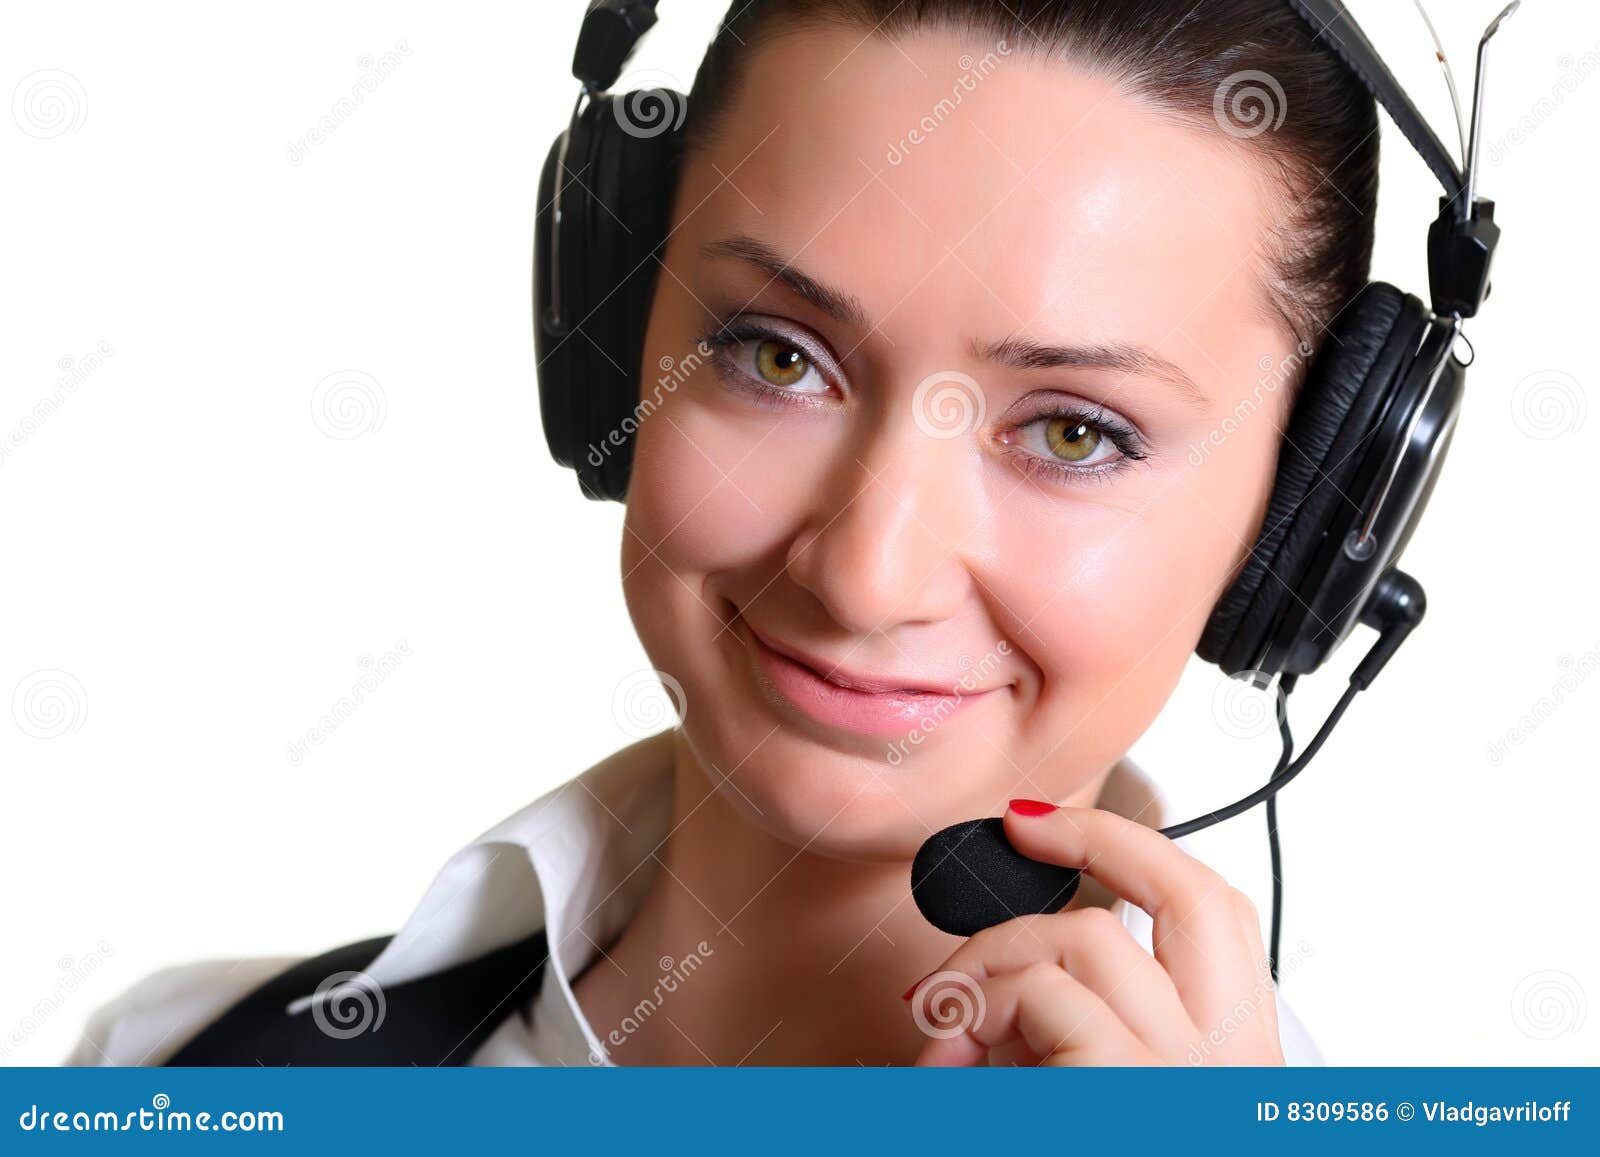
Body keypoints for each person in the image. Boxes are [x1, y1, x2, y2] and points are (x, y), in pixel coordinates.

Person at [72, 0, 1384, 1066]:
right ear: (617, 339)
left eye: (1073, 433)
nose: (869, 572)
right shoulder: (180, 1069)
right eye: (776, 354)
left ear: (1304, 525)